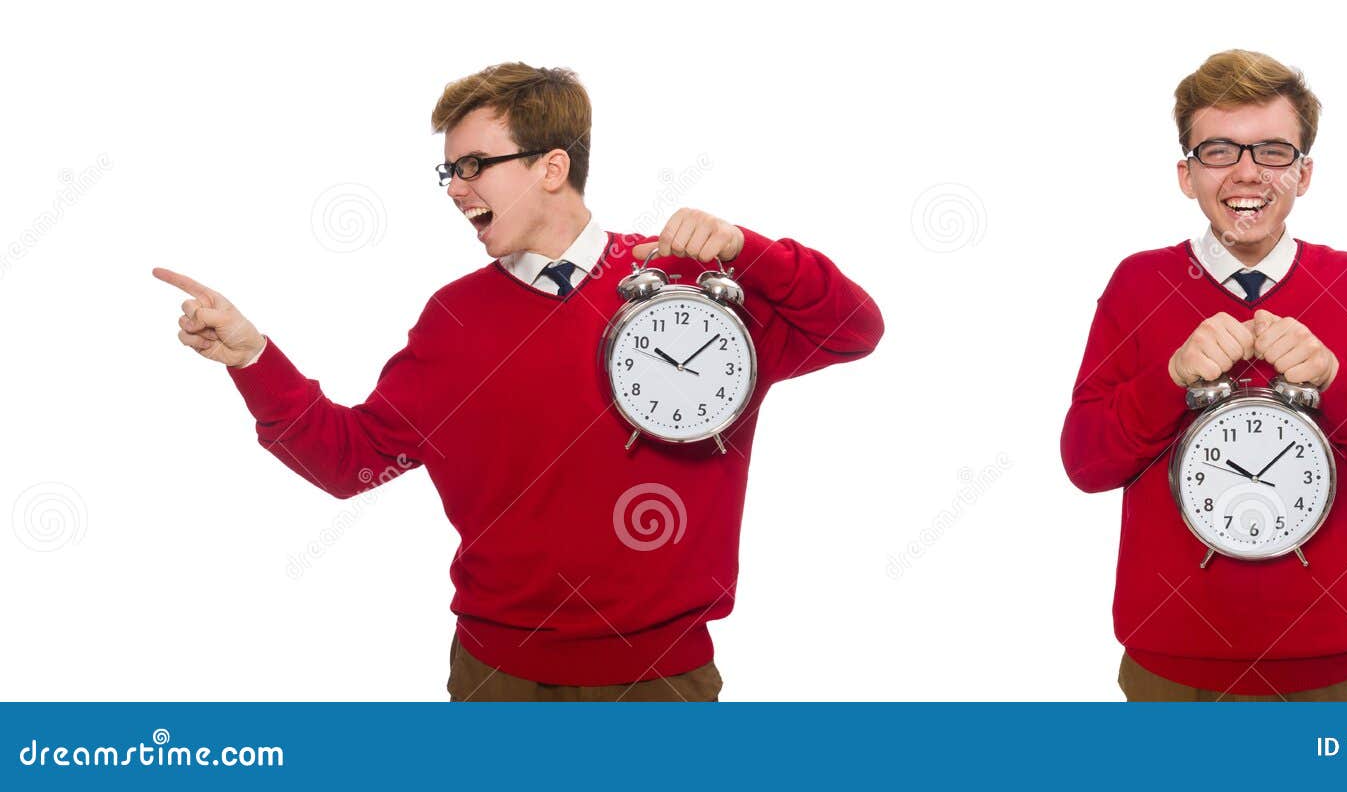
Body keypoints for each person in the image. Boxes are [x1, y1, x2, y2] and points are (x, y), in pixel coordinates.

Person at [154, 63, 884, 702]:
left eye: (473, 165)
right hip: (494, 682)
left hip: (661, 685)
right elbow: (349, 461)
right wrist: (253, 359)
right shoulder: (454, 321)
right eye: (449, 171)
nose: (454, 188)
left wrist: (750, 251)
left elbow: (855, 329)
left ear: (551, 167)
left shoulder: (694, 287)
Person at [1060, 50, 1347, 701]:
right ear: (1186, 173)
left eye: (1272, 151)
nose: (1246, 173)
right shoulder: (1136, 284)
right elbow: (1085, 464)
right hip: (1171, 667)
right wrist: (1170, 377)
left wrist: (1333, 376)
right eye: (1219, 151)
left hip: (1325, 664)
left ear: (1305, 173)